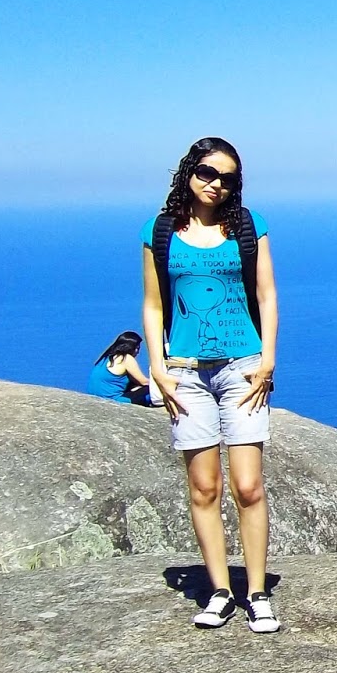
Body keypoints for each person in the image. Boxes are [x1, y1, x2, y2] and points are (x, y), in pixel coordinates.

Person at [141, 137, 280, 633]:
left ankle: (258, 592)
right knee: (204, 487)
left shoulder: (247, 227)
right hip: (185, 373)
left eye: (227, 178)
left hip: (241, 368)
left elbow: (266, 294)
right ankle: (220, 591)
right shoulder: (160, 232)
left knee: (248, 486)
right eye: (207, 172)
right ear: (188, 172)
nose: (216, 184)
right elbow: (154, 303)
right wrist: (156, 366)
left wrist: (266, 361)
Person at [86, 330, 156, 406]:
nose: (138, 352)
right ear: (130, 347)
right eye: (137, 348)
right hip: (114, 399)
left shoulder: (106, 357)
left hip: (95, 397)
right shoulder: (126, 359)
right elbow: (144, 382)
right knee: (152, 391)